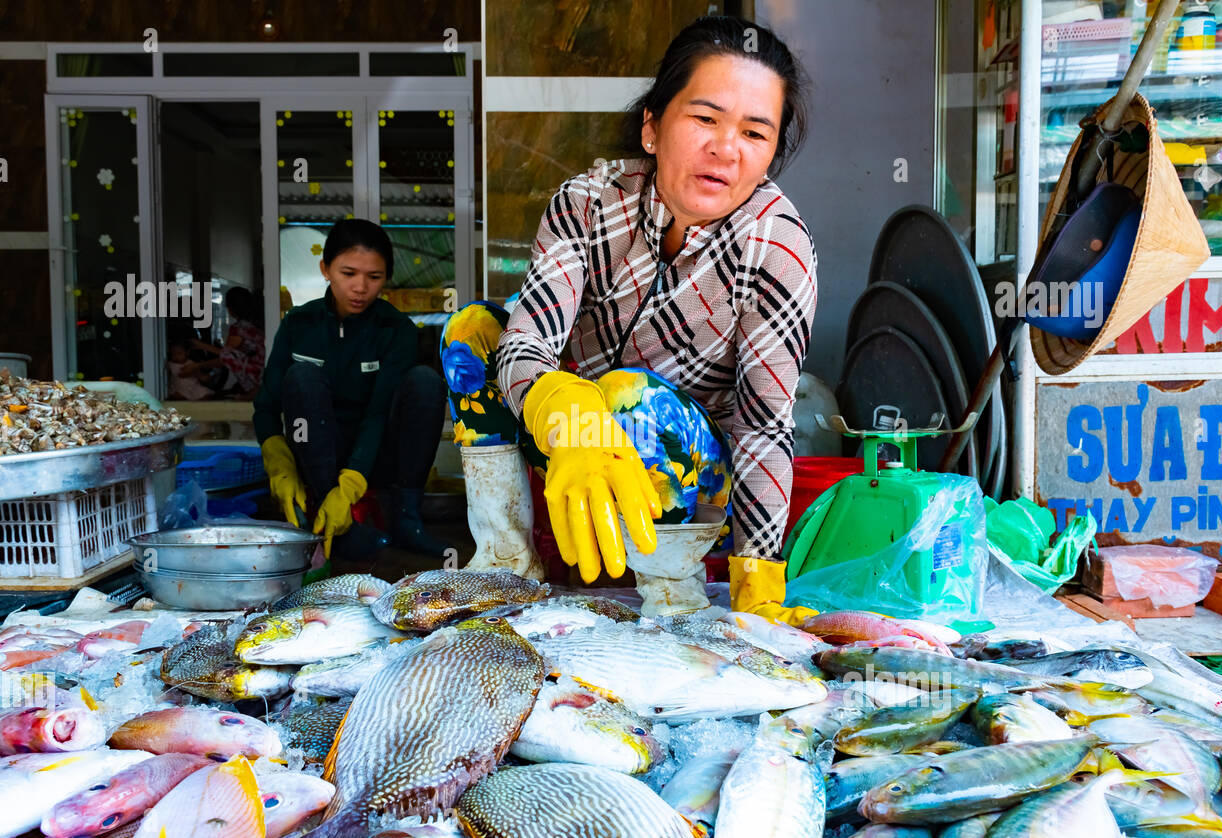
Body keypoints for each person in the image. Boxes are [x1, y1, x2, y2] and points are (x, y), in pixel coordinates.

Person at [442, 15, 822, 625]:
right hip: (578, 451)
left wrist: (758, 588)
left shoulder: (775, 247)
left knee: (628, 392)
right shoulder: (586, 204)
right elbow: (527, 340)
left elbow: (763, 429)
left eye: (755, 133)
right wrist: (568, 414)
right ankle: (504, 573)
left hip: (691, 487)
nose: (726, 149)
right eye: (705, 119)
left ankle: (673, 595)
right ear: (652, 126)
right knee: (472, 332)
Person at [254, 219, 448, 560]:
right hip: (316, 454)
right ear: (325, 269)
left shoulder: (396, 329)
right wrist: (280, 467)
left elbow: (377, 413)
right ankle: (335, 522)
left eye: (374, 277)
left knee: (425, 382)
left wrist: (350, 486)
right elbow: (267, 407)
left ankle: (406, 518)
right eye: (348, 273)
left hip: (375, 456)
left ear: (385, 278)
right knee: (302, 377)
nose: (360, 287)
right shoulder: (299, 323)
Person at [191, 287, 266, 400]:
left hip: (258, 373)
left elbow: (225, 357)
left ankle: (253, 391)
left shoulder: (238, 329)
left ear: (230, 309)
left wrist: (198, 362)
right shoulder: (256, 324)